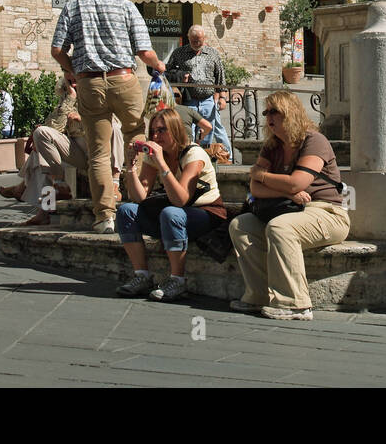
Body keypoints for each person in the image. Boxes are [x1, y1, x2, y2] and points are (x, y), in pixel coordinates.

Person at [51, 0, 167, 234]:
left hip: (89, 82)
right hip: (123, 78)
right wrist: (159, 65)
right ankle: (136, 201)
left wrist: (73, 71)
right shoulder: (127, 7)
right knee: (136, 135)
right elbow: (144, 51)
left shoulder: (73, 7)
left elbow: (57, 49)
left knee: (99, 152)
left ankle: (104, 215)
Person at [228, 90, 349, 321]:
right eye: (266, 112)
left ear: (290, 112)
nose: (268, 117)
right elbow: (255, 189)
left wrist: (262, 175)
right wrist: (289, 193)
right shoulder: (272, 146)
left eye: (275, 111)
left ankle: (295, 304)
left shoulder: (314, 141)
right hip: (288, 207)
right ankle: (259, 296)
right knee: (240, 225)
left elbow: (297, 182)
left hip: (327, 212)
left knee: (280, 227)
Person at [114, 107, 226, 302]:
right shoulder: (156, 155)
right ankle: (141, 275)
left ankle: (178, 281)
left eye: (162, 130)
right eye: (153, 131)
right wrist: (130, 167)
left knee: (171, 213)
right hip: (175, 211)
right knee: (126, 210)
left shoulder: (194, 155)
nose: (156, 136)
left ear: (175, 130)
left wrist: (162, 164)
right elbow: (139, 197)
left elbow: (181, 199)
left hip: (205, 213)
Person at [0, 78, 83, 226]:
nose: (73, 85)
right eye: (70, 81)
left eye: (75, 80)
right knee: (42, 156)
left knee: (43, 151)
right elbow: (53, 125)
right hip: (72, 148)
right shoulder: (68, 99)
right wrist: (70, 99)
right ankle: (43, 207)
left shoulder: (93, 95)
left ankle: (27, 192)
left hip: (88, 150)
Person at [165, 26, 236, 163]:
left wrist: (222, 97)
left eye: (199, 40)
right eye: (193, 40)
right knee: (188, 132)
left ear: (204, 38)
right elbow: (168, 73)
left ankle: (214, 158)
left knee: (209, 130)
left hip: (208, 99)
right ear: (188, 37)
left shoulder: (213, 54)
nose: (196, 43)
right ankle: (189, 159)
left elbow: (220, 77)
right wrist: (180, 76)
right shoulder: (179, 53)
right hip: (188, 101)